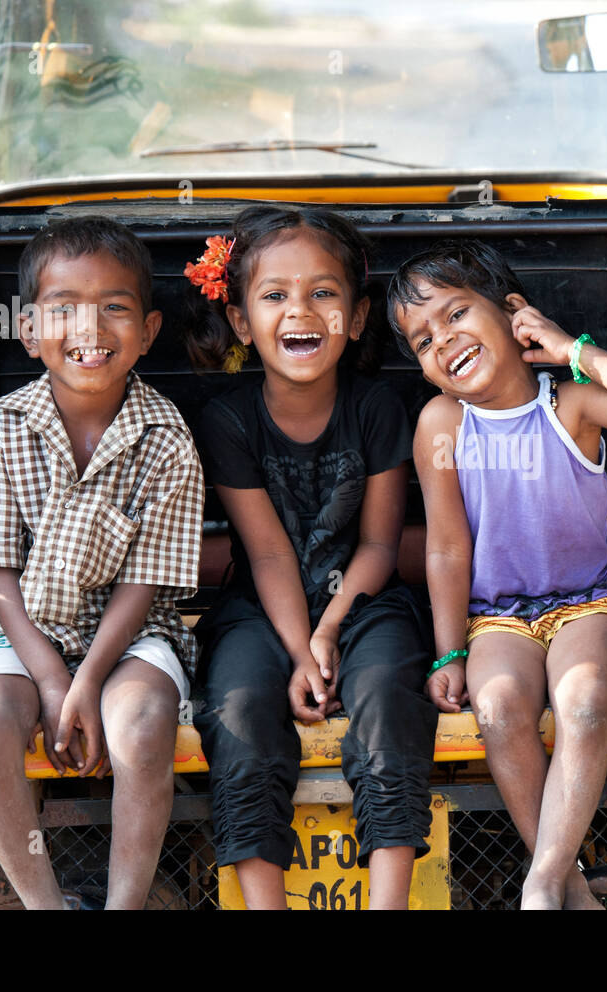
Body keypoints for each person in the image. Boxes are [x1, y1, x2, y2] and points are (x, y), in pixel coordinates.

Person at [388, 240, 607, 909]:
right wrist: (449, 649)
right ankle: (571, 887)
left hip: (589, 604)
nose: (443, 341)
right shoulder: (443, 421)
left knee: (584, 700)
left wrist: (571, 348)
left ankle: (544, 880)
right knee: (497, 708)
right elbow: (445, 547)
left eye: (457, 314)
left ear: (513, 312)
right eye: (422, 339)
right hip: (499, 615)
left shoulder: (570, 406)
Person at [184, 205, 437, 910]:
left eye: (324, 292)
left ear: (356, 319)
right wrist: (301, 649)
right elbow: (267, 553)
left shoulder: (379, 406)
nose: (301, 310)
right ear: (240, 320)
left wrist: (329, 632)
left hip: (363, 601)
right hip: (262, 610)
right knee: (237, 712)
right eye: (275, 295)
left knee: (389, 696)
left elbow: (382, 544)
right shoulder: (229, 419)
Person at [0, 216, 204, 909]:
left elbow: (145, 579)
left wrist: (89, 676)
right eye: (64, 307)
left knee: (144, 720)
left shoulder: (165, 435)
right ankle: (42, 903)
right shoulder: (2, 426)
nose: (89, 328)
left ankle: (125, 902)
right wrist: (50, 676)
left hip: (135, 633)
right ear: (30, 331)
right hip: (23, 628)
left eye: (114, 307)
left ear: (148, 331)